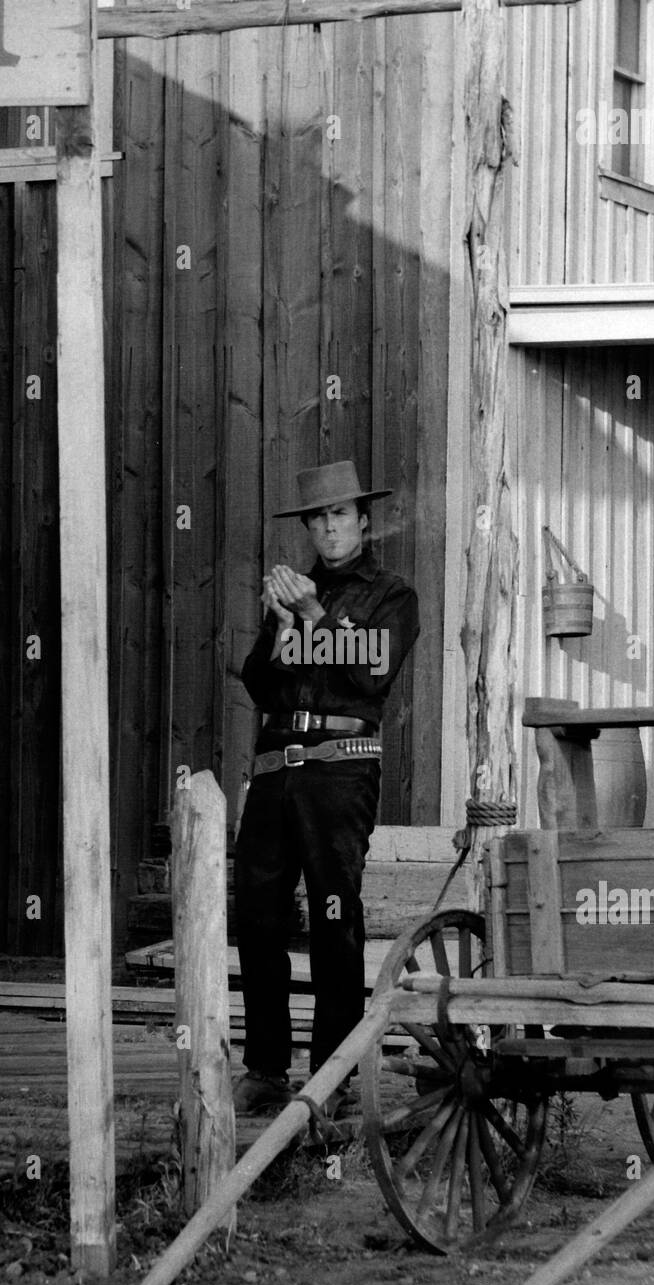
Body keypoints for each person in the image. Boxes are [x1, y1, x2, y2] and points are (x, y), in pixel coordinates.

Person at [232, 460, 420, 1115]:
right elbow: (259, 684)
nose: (327, 528)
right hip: (275, 768)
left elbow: (371, 675)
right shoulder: (294, 590)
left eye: (338, 515)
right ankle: (263, 1071)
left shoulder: (390, 595)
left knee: (333, 916)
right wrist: (281, 624)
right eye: (317, 518)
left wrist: (315, 618)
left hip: (341, 767)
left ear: (363, 522)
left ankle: (332, 1077)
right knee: (256, 919)